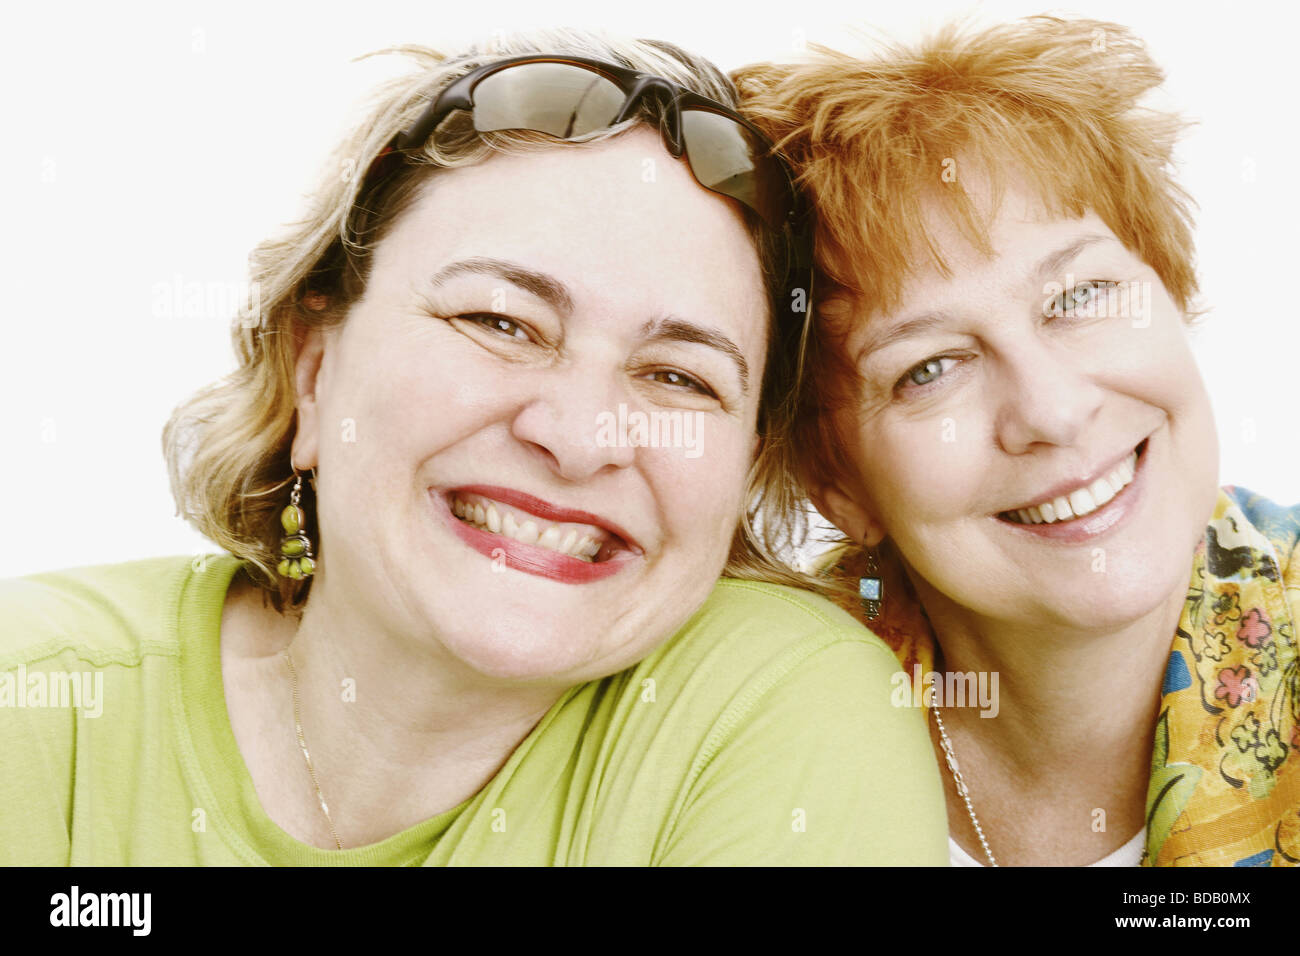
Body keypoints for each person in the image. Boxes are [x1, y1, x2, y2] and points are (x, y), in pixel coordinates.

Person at [0, 29, 948, 866]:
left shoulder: (776, 709)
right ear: (312, 372)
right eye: (501, 321)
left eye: (680, 377)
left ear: (745, 470)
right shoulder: (35, 698)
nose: (579, 438)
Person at [735, 15, 1300, 866]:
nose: (1053, 411)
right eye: (930, 368)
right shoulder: (734, 721)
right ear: (835, 482)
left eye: (1079, 297)